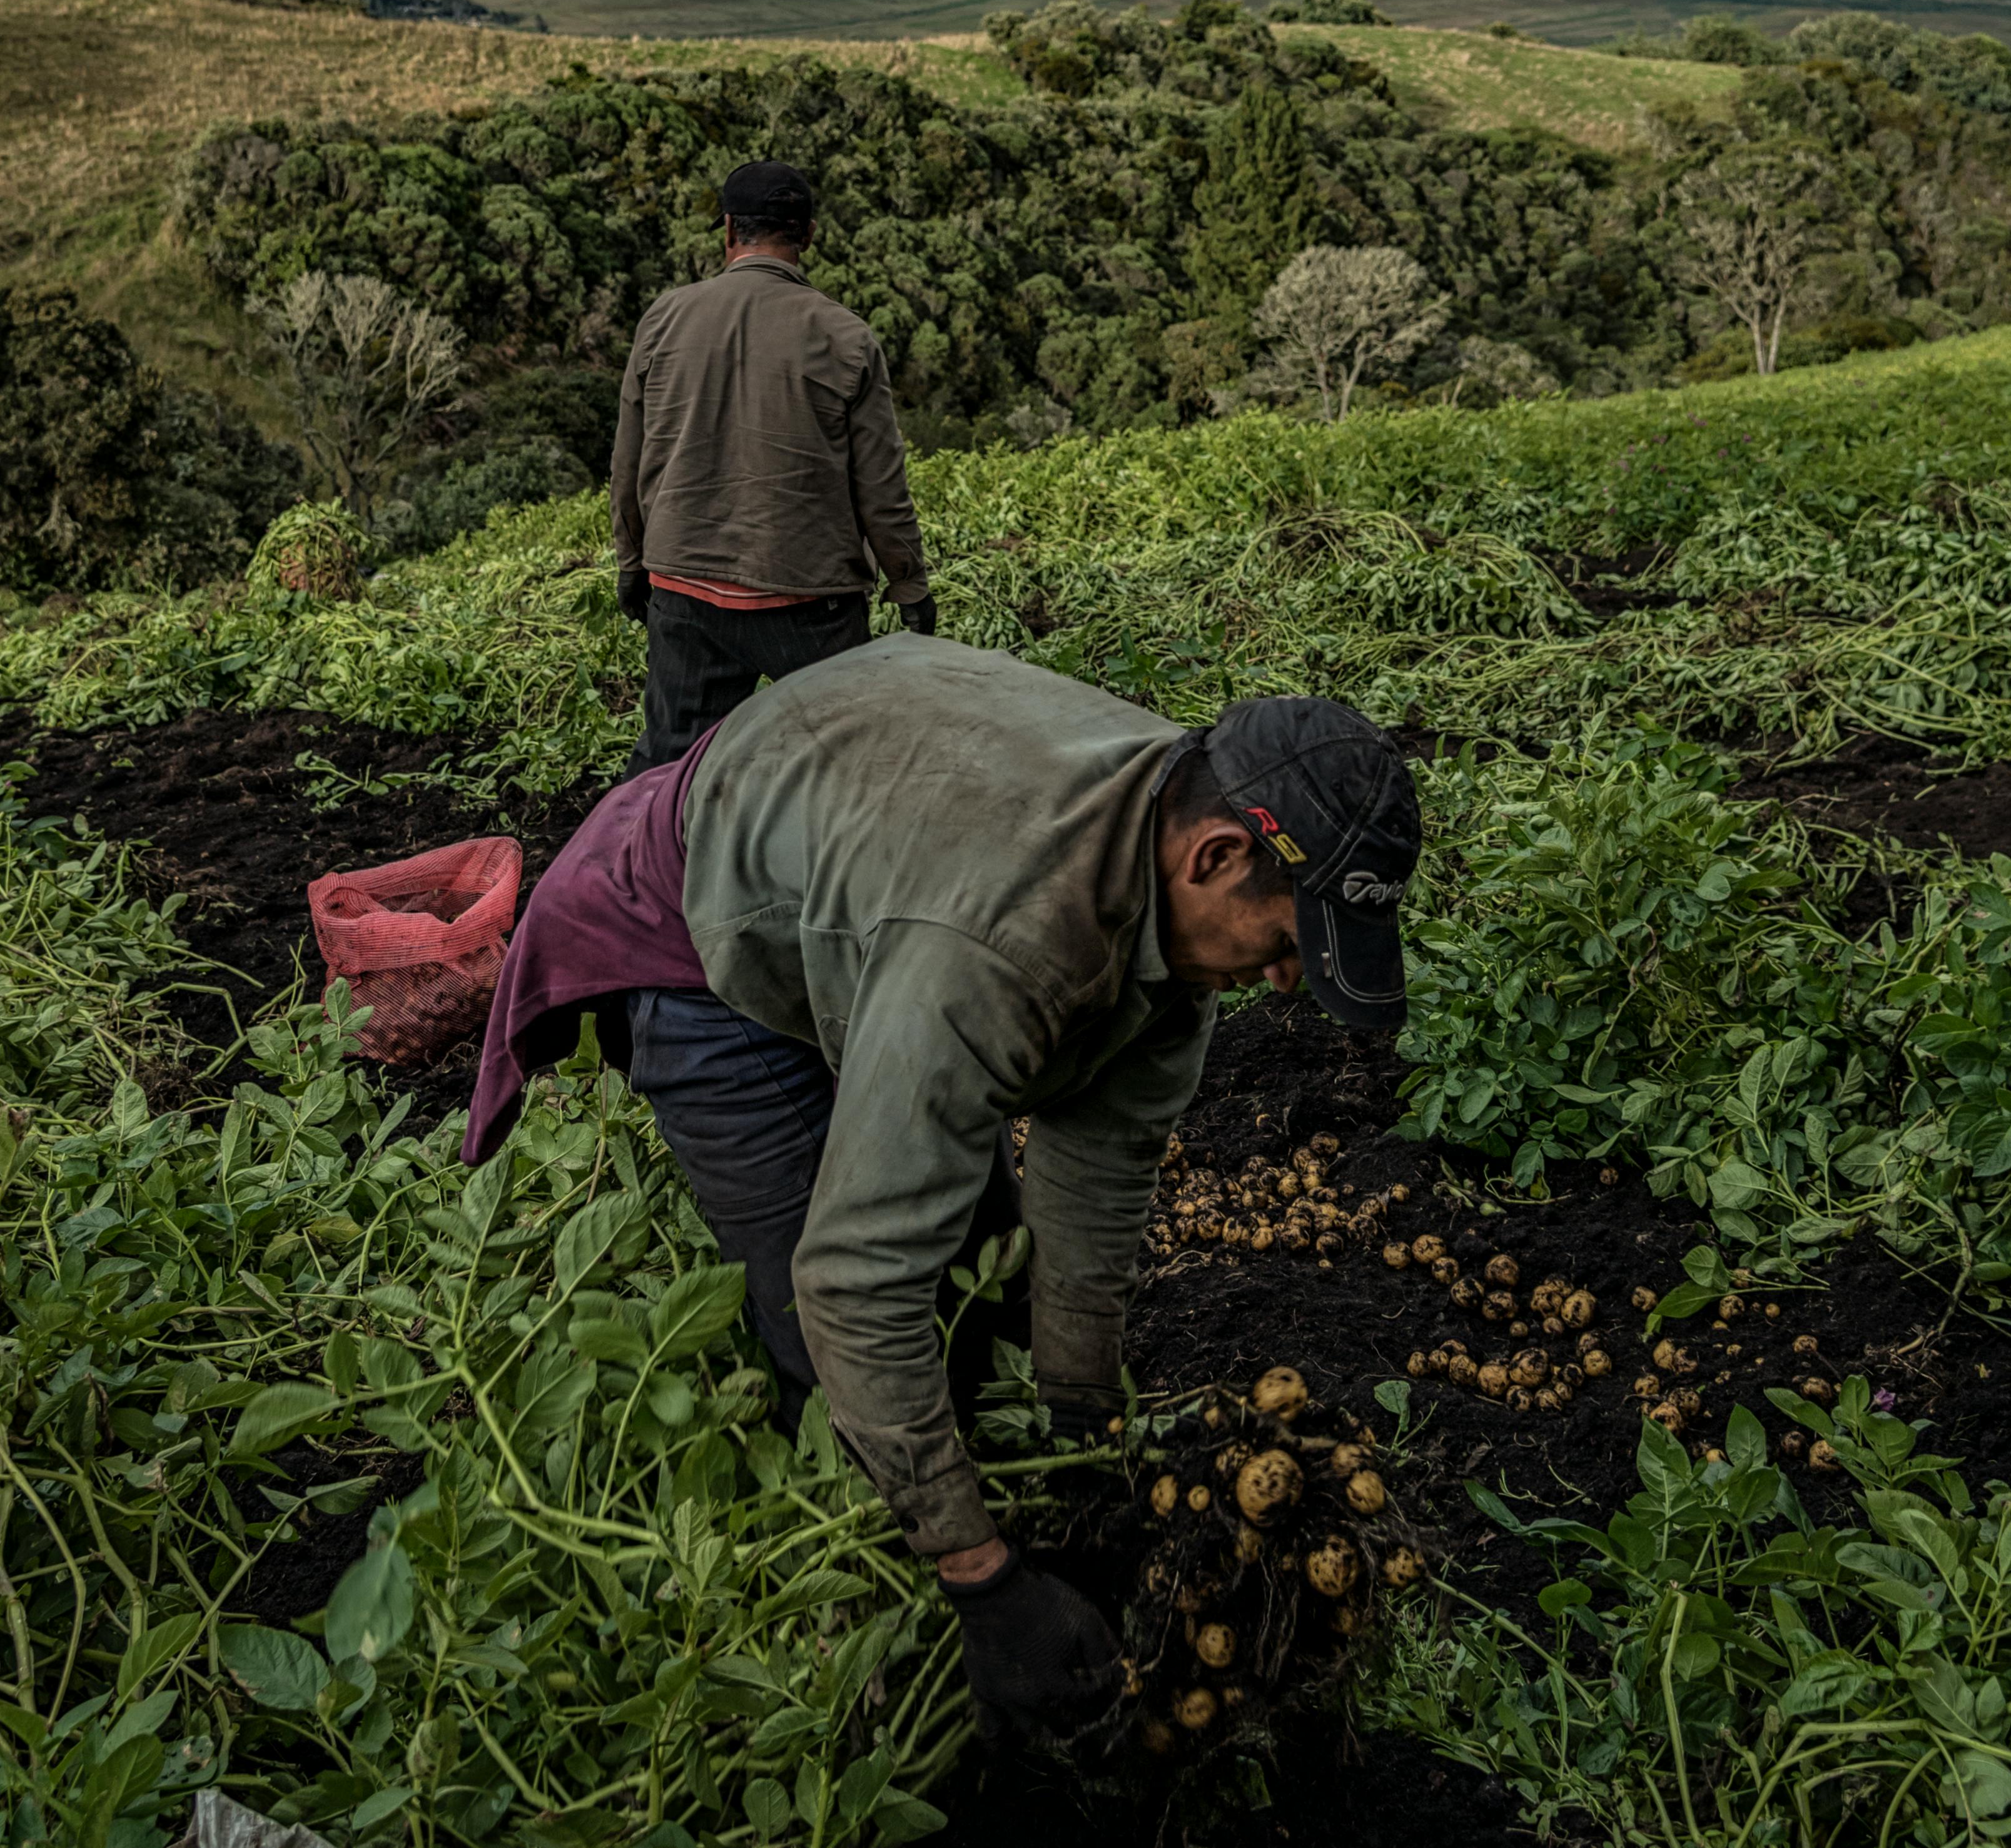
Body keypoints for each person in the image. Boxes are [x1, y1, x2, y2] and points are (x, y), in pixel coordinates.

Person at [460, 634, 1424, 1743]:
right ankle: (846, 1668)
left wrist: (1083, 1419)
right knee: (825, 1347)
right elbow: (857, 1280)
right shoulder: (1002, 942)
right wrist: (982, 1579)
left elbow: (1096, 1172)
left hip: (872, 841)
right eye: (1294, 938)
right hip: (695, 921)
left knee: (976, 1285)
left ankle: (955, 1528)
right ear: (1211, 857)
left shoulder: (1172, 883)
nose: (1290, 978)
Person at [609, 158, 932, 776]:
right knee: (848, 771)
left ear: (729, 231)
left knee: (667, 772)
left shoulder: (664, 319)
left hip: (683, 586)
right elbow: (881, 491)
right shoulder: (848, 337)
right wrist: (909, 585)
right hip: (809, 601)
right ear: (808, 235)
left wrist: (633, 566)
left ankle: (629, 869)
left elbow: (629, 462)